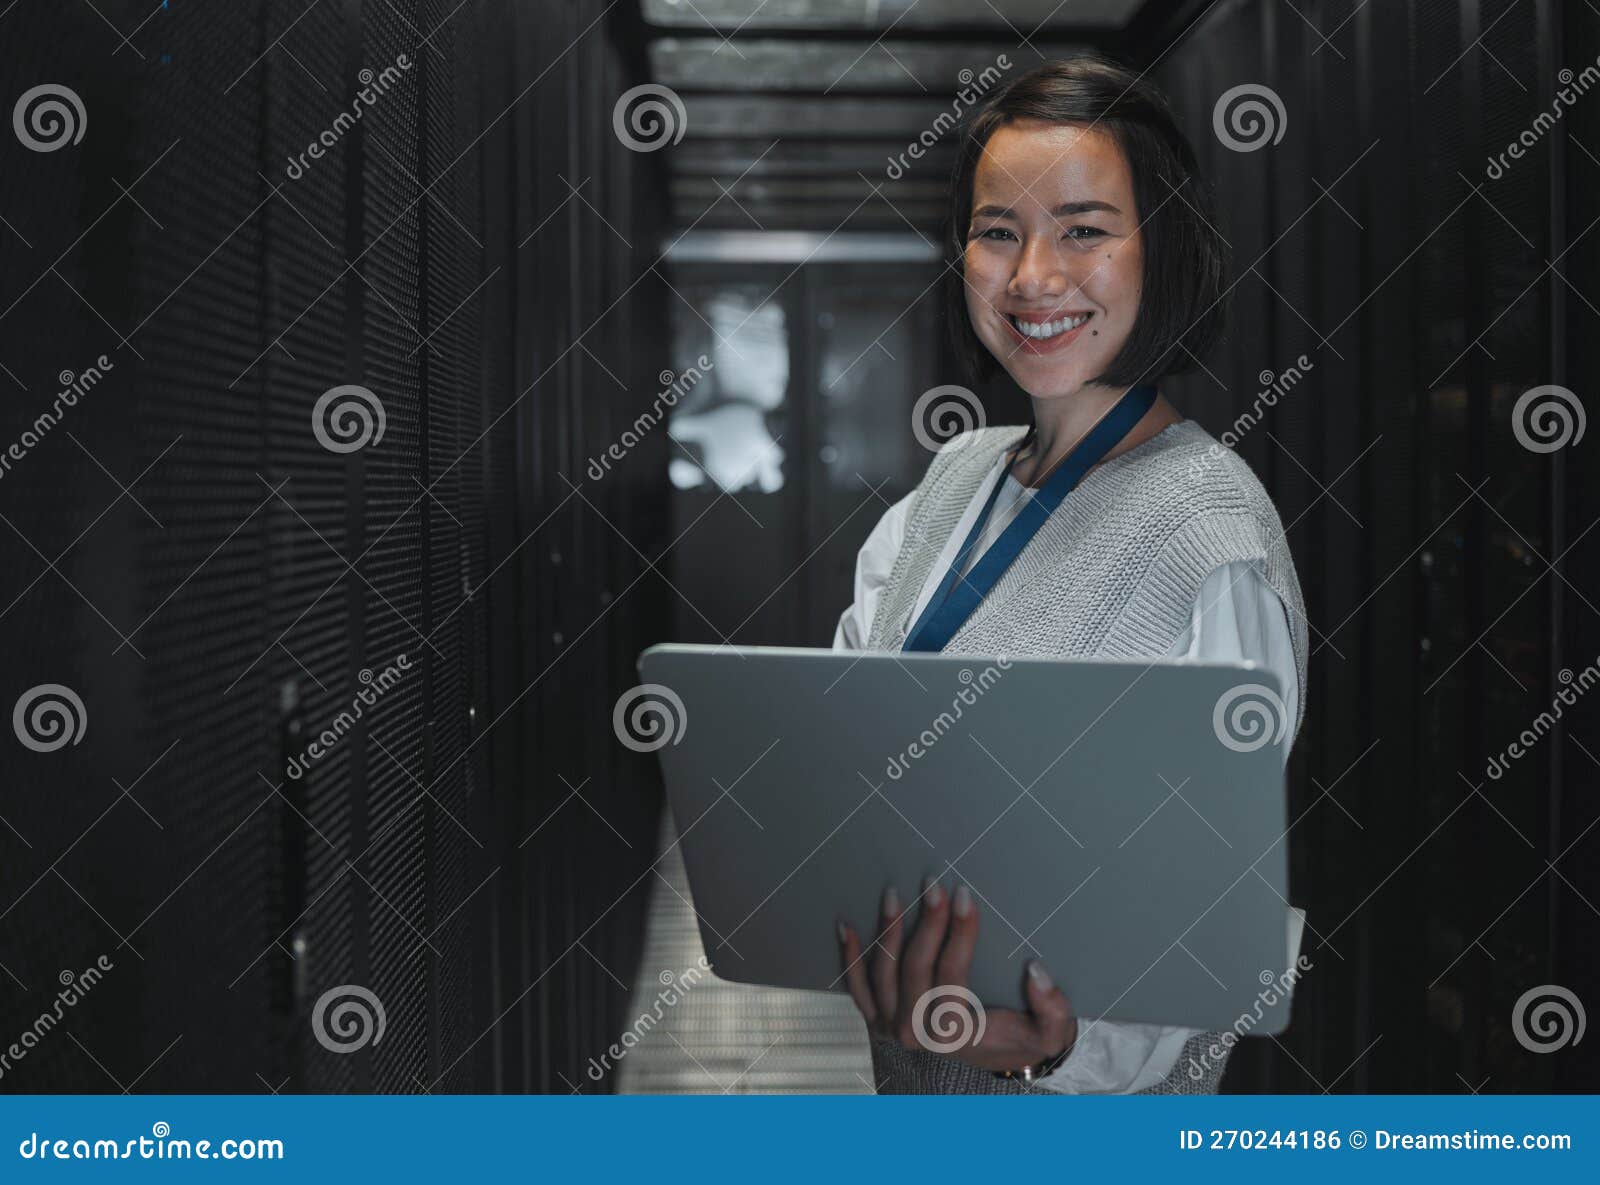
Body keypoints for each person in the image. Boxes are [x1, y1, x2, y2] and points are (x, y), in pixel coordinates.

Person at [829, 54, 1309, 1095]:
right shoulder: (946, 488)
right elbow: (839, 744)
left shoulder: (1208, 535)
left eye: (1083, 229)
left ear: (1162, 248)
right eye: (998, 231)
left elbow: (1207, 914)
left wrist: (1051, 1047)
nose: (1033, 276)